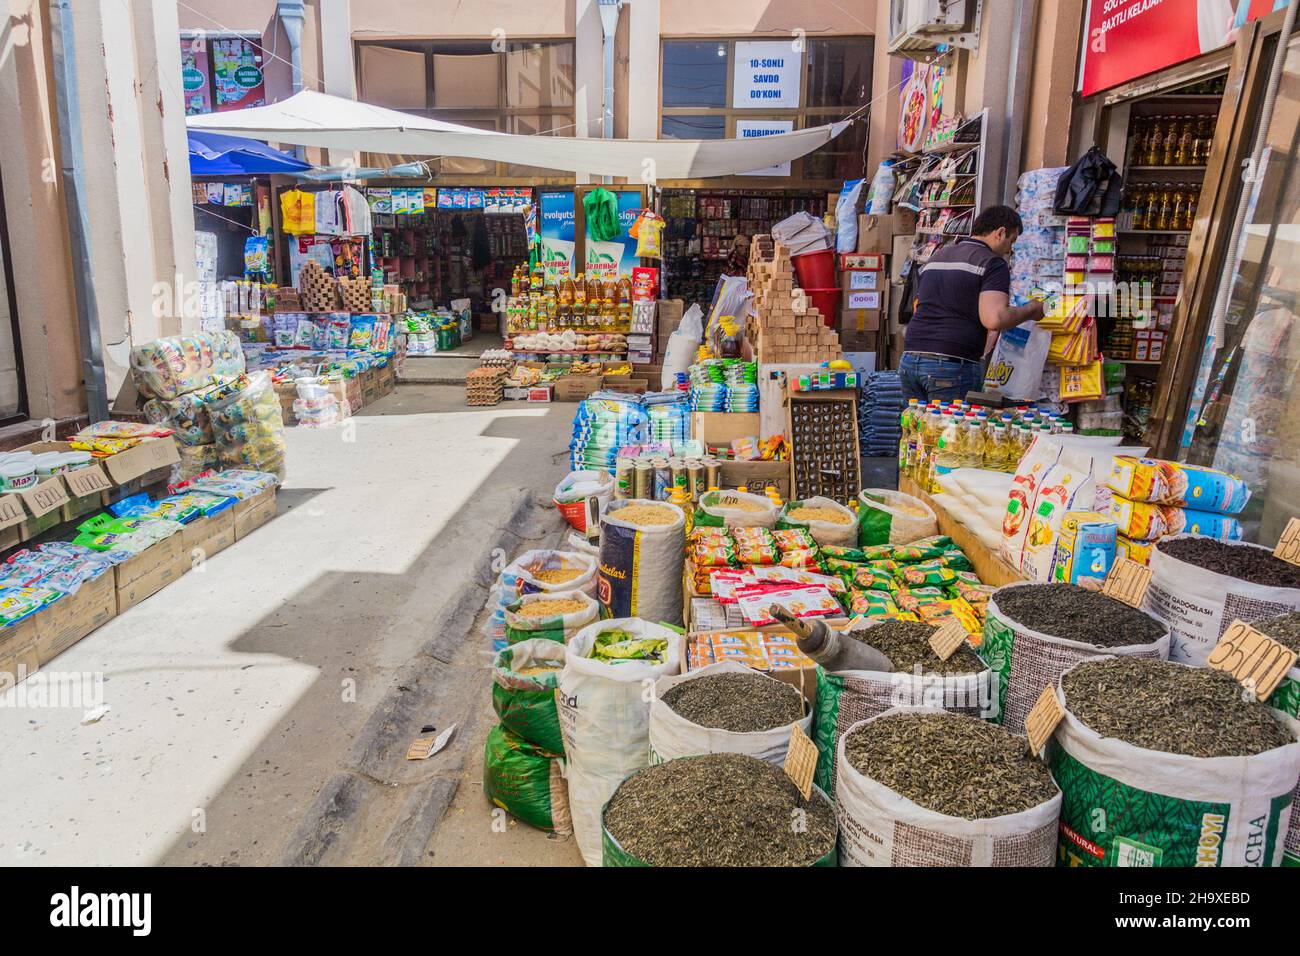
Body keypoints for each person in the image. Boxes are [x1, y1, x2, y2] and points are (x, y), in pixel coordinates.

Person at [899, 205, 1044, 403]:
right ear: (1000, 233)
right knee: (951, 432)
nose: (1011, 249)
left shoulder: (938, 256)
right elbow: (995, 318)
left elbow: (919, 305)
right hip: (950, 365)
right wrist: (1032, 309)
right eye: (1012, 241)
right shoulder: (992, 263)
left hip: (910, 357)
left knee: (917, 430)